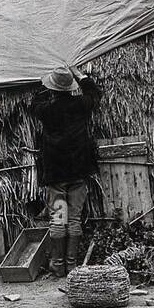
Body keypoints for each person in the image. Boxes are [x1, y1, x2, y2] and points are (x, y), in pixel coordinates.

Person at [30, 66, 101, 277]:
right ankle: (72, 265)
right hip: (78, 173)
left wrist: (47, 82)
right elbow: (94, 93)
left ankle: (58, 265)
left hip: (56, 175)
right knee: (74, 219)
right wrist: (79, 75)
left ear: (52, 89)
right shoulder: (81, 105)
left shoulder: (46, 111)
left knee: (59, 218)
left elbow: (34, 101)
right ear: (71, 88)